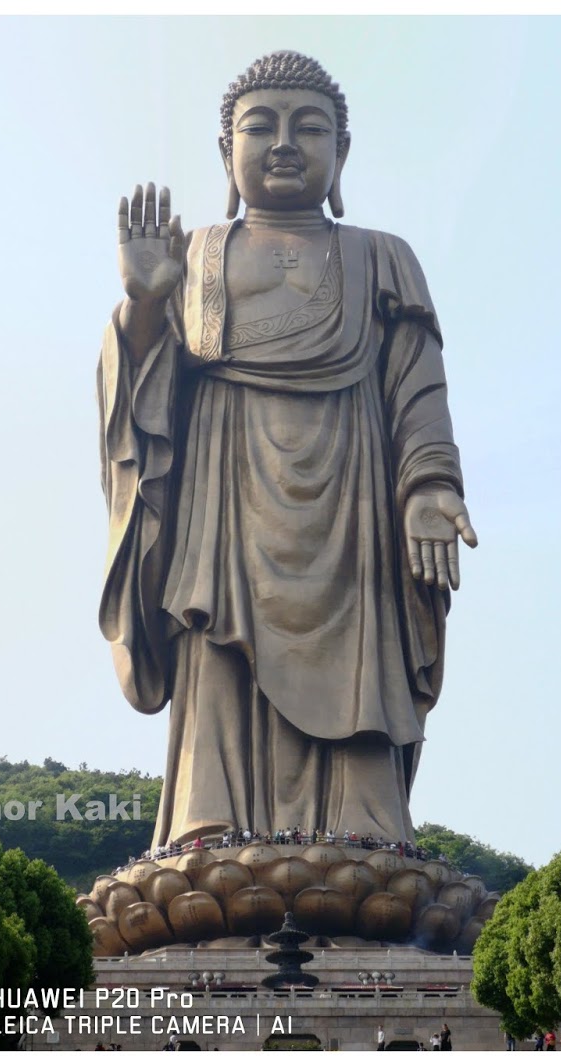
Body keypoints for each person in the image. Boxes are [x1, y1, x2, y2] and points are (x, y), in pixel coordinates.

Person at [98, 51, 478, 846]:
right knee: (218, 646)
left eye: (309, 128)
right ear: (224, 152)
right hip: (224, 489)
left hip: (354, 495)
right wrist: (143, 306)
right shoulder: (194, 251)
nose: (282, 144)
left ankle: (367, 829)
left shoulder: (382, 254)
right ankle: (211, 820)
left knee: (362, 653)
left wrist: (430, 486)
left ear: (342, 152)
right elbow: (142, 392)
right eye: (258, 125)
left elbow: (418, 383)